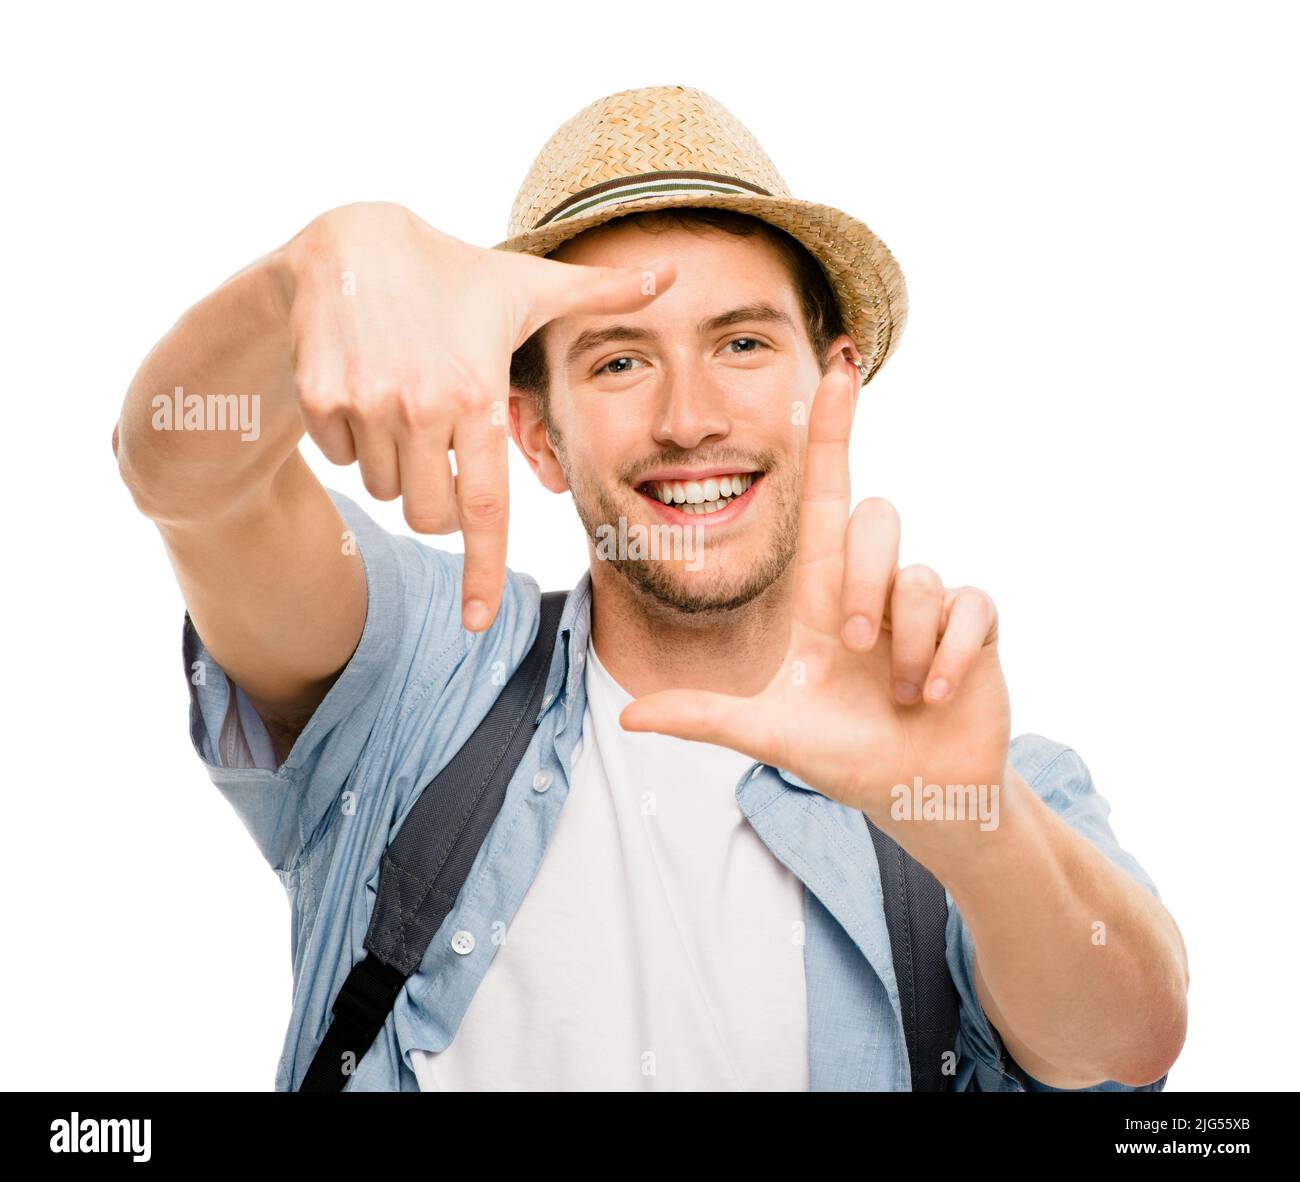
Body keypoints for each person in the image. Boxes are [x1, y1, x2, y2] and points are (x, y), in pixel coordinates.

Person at [114, 84, 1188, 1091]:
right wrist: (310, 277)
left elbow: (1132, 1045)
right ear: (537, 435)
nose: (688, 415)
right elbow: (176, 462)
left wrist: (970, 825)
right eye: (619, 361)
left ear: (831, 384)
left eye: (742, 342)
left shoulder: (979, 775)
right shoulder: (413, 681)